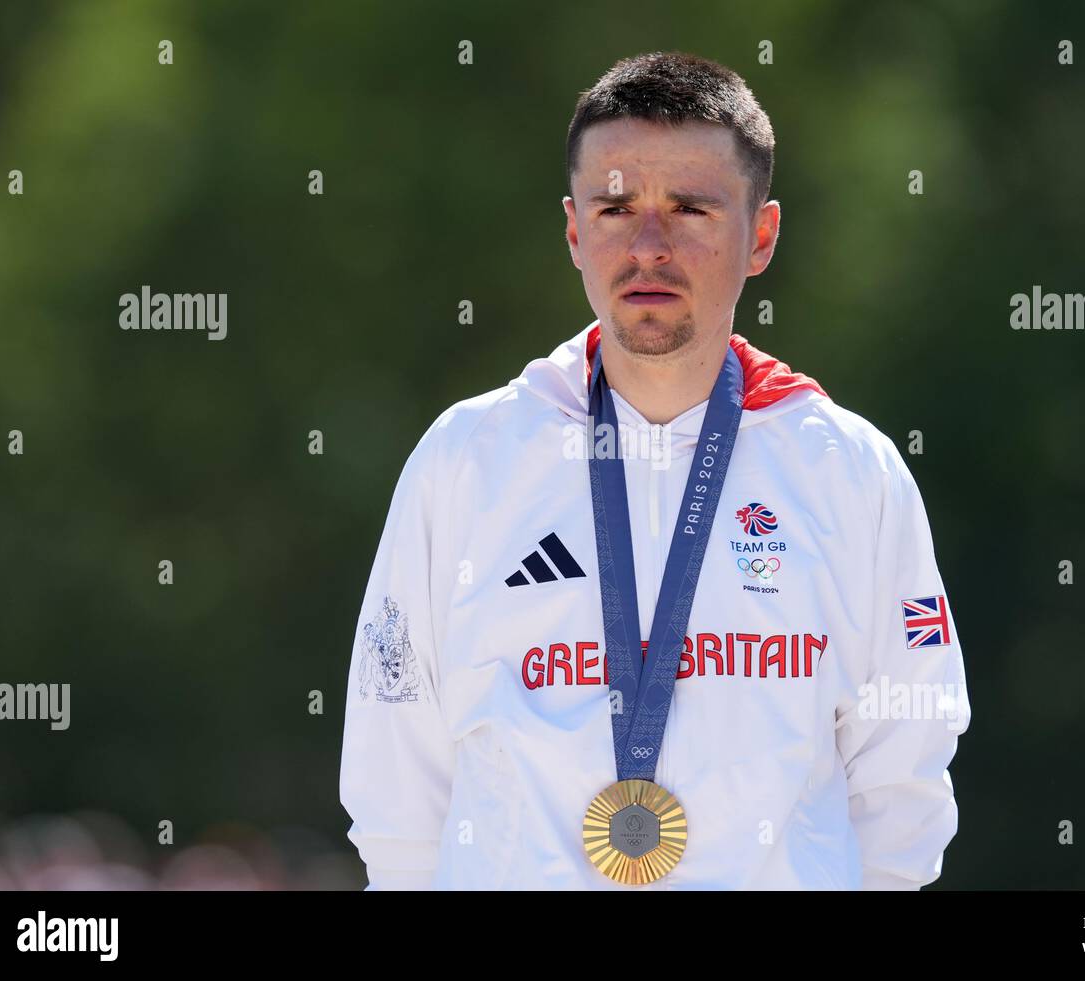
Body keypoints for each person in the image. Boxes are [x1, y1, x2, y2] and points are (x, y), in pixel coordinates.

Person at [340, 50, 970, 890]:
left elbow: (903, 783)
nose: (647, 246)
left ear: (762, 236)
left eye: (690, 209)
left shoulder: (849, 474)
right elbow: (397, 789)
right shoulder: (467, 461)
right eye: (614, 207)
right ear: (573, 232)